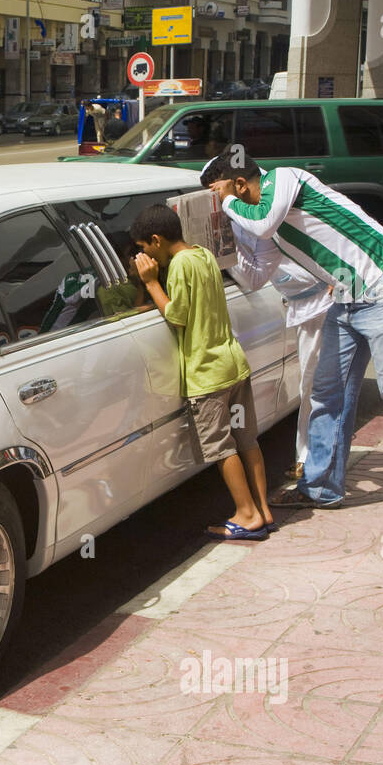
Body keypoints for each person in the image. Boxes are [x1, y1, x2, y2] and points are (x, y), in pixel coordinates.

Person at [201, 148, 383, 518]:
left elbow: (263, 221)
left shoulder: (284, 178)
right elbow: (253, 276)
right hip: (346, 298)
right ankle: (321, 486)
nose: (220, 203)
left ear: (238, 183)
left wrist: (229, 205)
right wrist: (216, 246)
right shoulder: (267, 222)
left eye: (219, 192)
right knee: (327, 394)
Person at [129, 203, 275, 540]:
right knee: (246, 438)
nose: (145, 256)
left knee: (221, 447)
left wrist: (151, 282)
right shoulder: (203, 254)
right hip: (233, 364)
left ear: (156, 240)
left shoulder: (178, 266)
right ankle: (263, 510)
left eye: (144, 249)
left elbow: (177, 315)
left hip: (207, 375)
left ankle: (246, 514)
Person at [228, 226, 334, 480]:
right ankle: (310, 460)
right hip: (305, 305)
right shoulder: (237, 219)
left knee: (318, 387)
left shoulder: (265, 211)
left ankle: (314, 463)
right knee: (313, 386)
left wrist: (340, 275)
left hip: (324, 302)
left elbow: (255, 277)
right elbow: (252, 275)